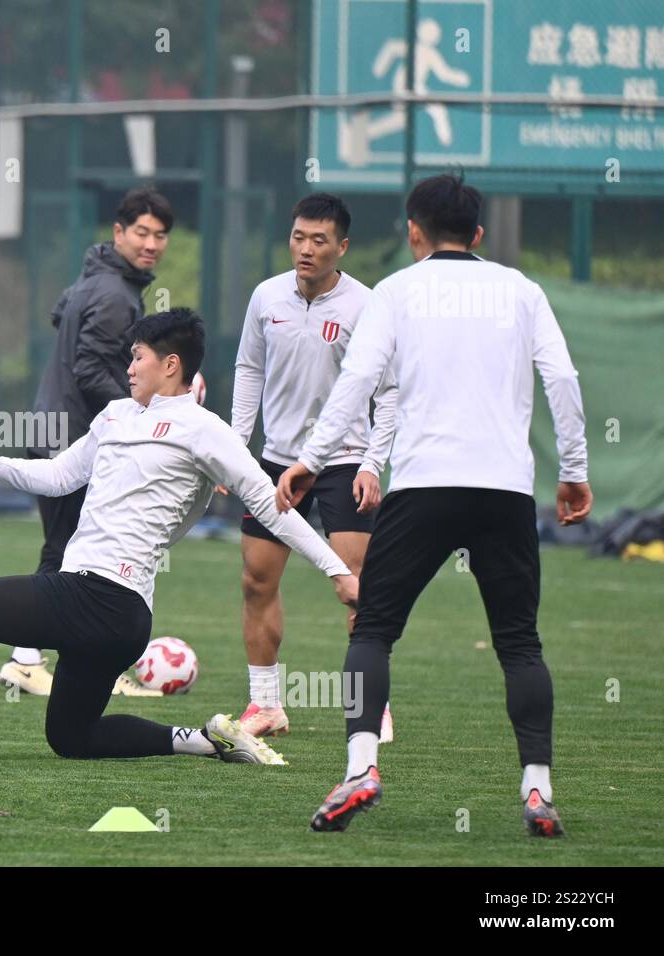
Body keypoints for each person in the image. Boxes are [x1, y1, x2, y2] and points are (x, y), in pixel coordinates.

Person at [0, 308, 358, 764]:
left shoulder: (205, 428)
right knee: (70, 738)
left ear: (171, 365)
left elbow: (272, 506)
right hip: (119, 619)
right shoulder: (117, 415)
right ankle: (206, 741)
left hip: (99, 597)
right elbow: (59, 475)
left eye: (138, 357)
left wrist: (338, 569)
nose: (128, 367)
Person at [275, 173, 592, 835]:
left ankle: (363, 767)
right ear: (477, 234)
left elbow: (358, 380)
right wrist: (574, 470)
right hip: (503, 490)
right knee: (520, 645)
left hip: (423, 487)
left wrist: (309, 458)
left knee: (372, 631)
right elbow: (561, 376)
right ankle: (537, 790)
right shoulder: (521, 290)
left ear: (414, 232)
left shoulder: (395, 291)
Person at [231, 192, 397, 741]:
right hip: (275, 461)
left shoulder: (367, 305)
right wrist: (236, 450)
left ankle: (371, 705)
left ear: (342, 247)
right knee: (257, 581)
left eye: (319, 240)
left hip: (344, 463)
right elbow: (249, 369)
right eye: (298, 237)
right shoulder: (265, 297)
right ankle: (266, 705)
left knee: (355, 586)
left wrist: (374, 462)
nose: (305, 248)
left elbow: (389, 393)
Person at [1, 186, 174, 699]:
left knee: (67, 549)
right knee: (72, 553)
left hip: (50, 426)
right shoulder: (116, 293)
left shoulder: (94, 278)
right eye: (141, 232)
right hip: (71, 435)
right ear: (118, 233)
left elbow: (64, 327)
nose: (151, 243)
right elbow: (90, 367)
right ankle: (31, 659)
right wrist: (144, 407)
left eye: (160, 235)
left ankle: (32, 658)